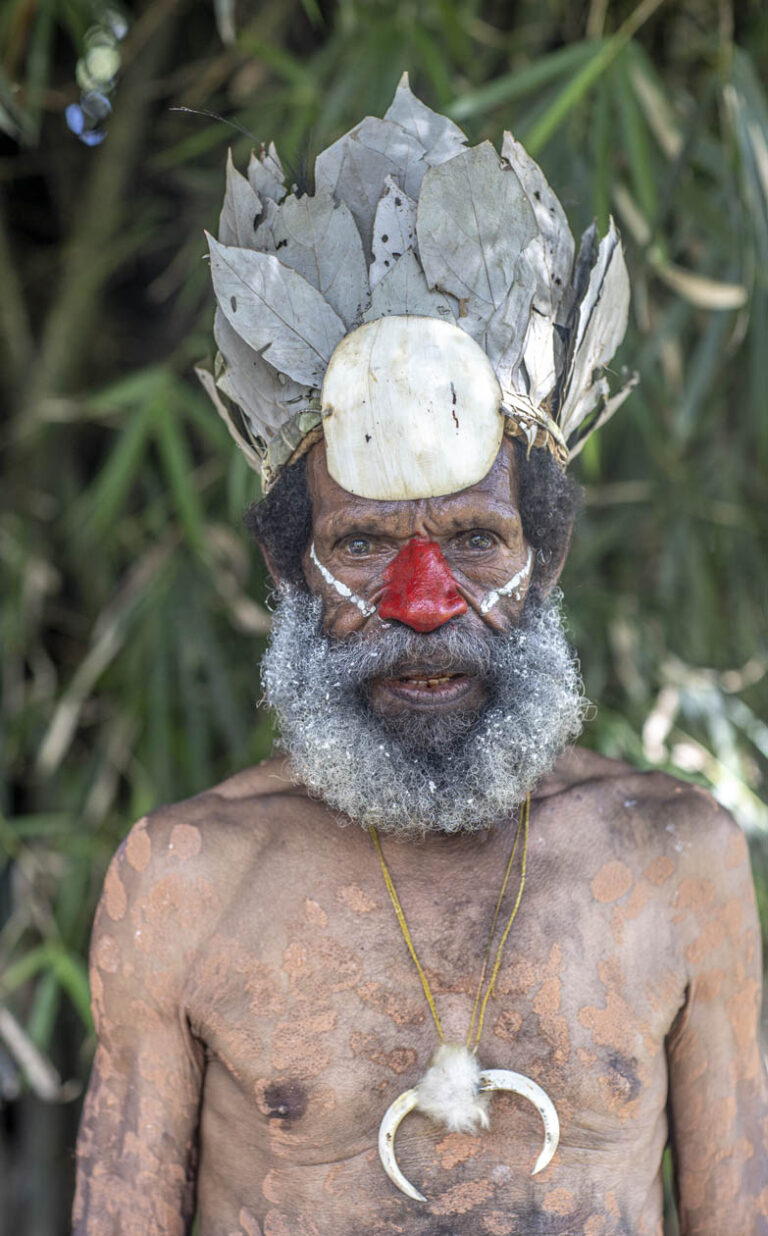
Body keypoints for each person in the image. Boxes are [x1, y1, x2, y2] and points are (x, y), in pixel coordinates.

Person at [73, 77, 767, 1235]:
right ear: (295, 570)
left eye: (476, 541)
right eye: (363, 543)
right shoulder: (186, 879)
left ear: (544, 562)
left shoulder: (677, 862)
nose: (424, 600)